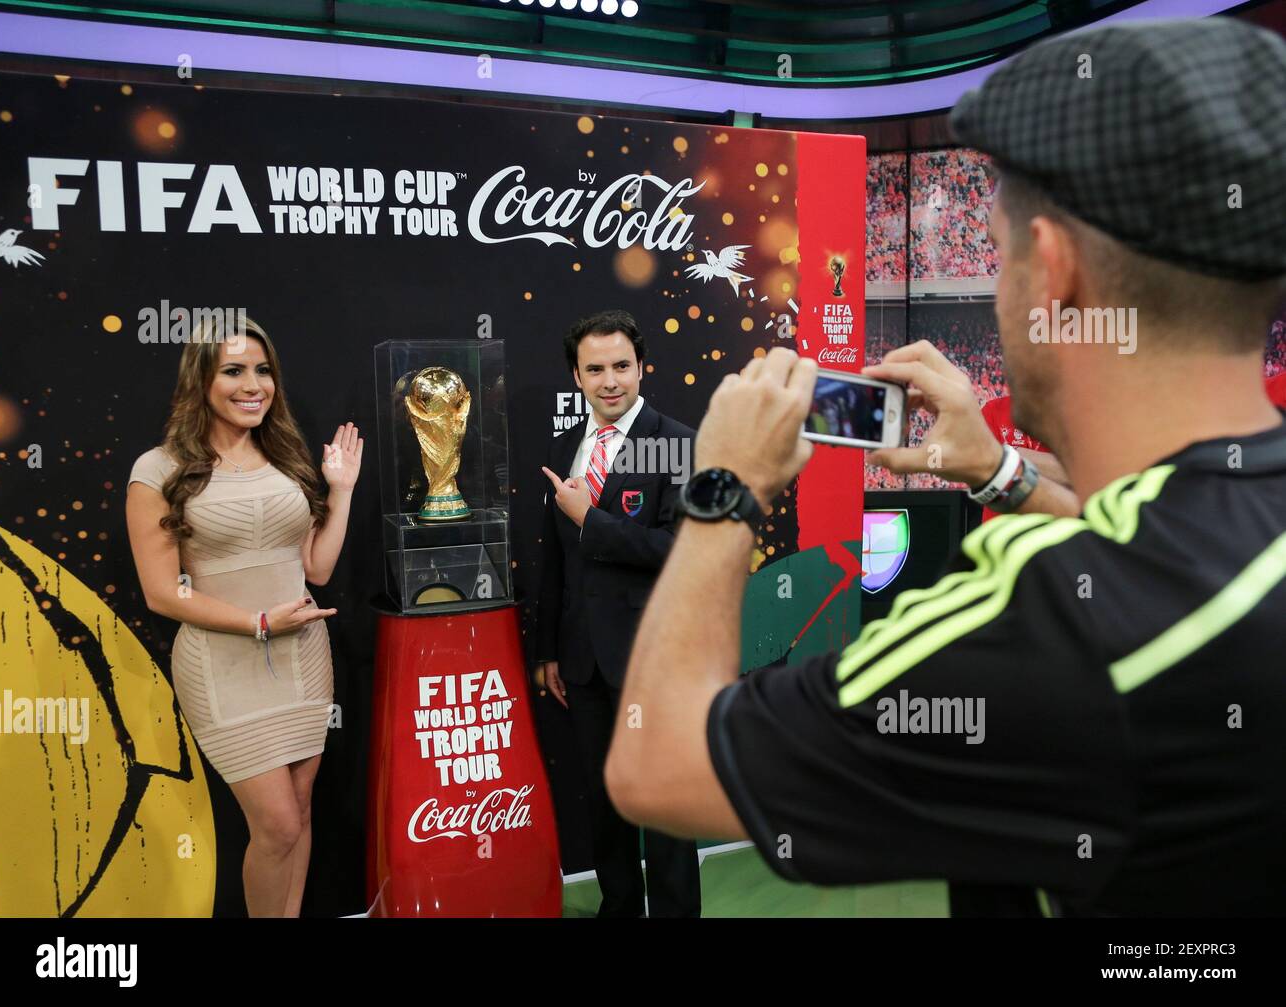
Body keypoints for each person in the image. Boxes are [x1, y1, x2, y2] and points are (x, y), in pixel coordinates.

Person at [605, 17, 1286, 916]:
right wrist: (998, 470)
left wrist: (722, 490)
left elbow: (658, 766)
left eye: (999, 257)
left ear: (1054, 271)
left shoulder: (1045, 622)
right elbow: (1164, 541)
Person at [126, 315, 363, 918]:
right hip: (223, 665)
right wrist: (258, 624)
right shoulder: (158, 469)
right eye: (233, 370)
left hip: (303, 657)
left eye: (262, 371)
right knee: (277, 825)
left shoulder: (285, 458)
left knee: (302, 809)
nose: (252, 384)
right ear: (201, 379)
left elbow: (318, 569)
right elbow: (160, 594)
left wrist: (342, 490)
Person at [536, 309, 701, 917]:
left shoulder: (677, 443)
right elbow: (553, 561)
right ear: (576, 377)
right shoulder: (563, 449)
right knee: (603, 801)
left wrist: (592, 520)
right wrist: (548, 650)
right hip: (583, 664)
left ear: (642, 368)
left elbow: (682, 550)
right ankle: (619, 906)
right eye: (595, 369)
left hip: (654, 660)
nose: (610, 381)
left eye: (621, 366)